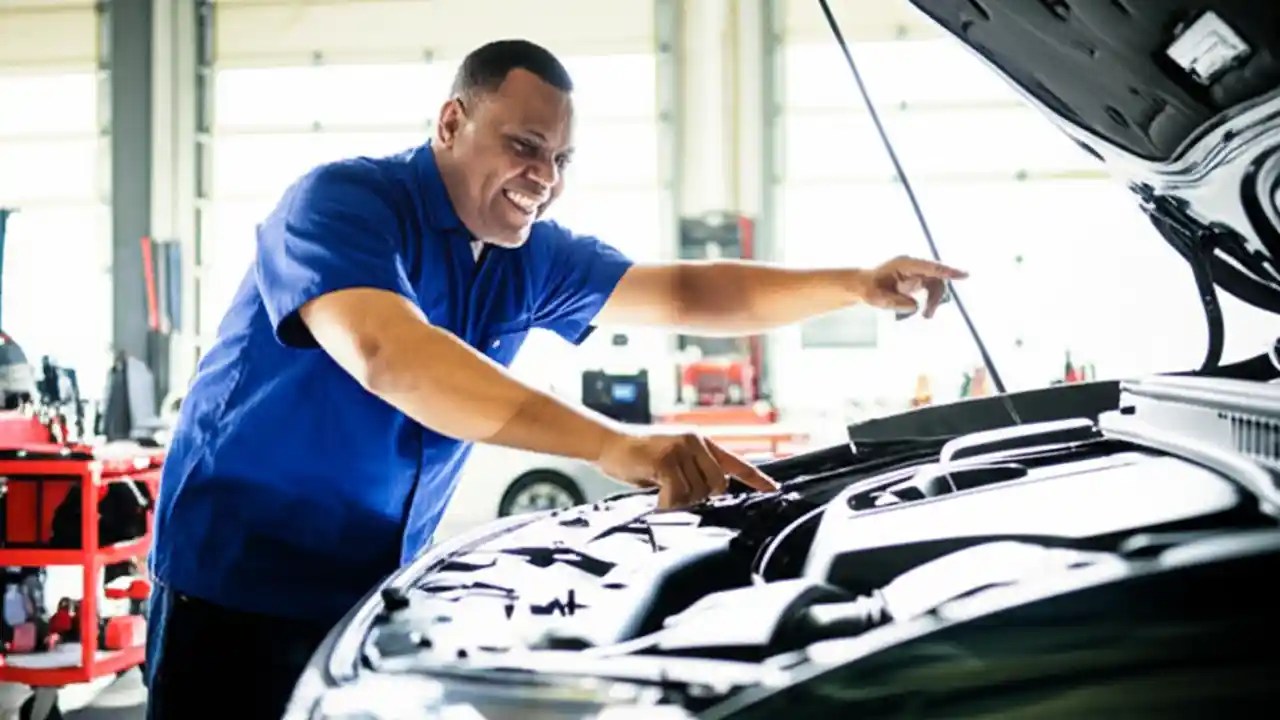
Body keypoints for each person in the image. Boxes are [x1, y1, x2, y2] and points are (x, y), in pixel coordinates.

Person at [143, 38, 966, 719]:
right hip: (238, 586)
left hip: (369, 586)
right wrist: (617, 446)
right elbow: (391, 355)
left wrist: (854, 283)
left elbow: (685, 289)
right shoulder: (340, 204)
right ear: (452, 121)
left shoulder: (525, 255)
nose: (546, 175)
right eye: (525, 146)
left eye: (562, 157)